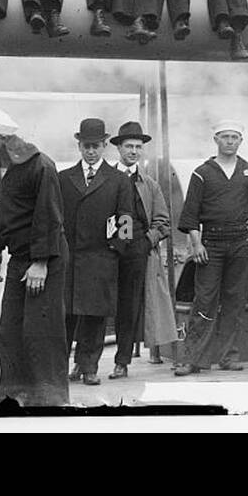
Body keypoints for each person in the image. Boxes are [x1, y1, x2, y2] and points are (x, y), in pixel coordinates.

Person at [0, 107, 69, 407]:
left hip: (45, 257)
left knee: (42, 332)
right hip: (19, 257)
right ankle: (13, 397)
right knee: (10, 331)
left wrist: (41, 262)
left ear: (1, 138)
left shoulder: (40, 165)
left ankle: (50, 400)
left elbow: (50, 214)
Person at [176, 120, 248, 373]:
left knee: (235, 300)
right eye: (225, 136)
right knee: (204, 300)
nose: (229, 141)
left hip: (240, 242)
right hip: (211, 244)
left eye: (234, 137)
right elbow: (190, 213)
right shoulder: (202, 172)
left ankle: (228, 356)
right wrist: (196, 244)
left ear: (240, 141)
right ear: (216, 140)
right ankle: (191, 358)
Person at [57, 117, 133, 385]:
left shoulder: (119, 180)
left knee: (94, 315)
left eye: (96, 146)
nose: (91, 151)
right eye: (86, 146)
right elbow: (55, 217)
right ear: (79, 146)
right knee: (66, 315)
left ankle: (89, 367)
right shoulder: (63, 179)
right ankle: (62, 368)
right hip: (70, 259)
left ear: (104, 146)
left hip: (101, 258)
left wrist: (115, 249)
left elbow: (126, 217)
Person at [108, 121, 177, 379]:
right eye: (129, 146)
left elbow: (163, 221)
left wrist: (146, 241)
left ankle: (121, 361)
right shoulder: (106, 179)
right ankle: (84, 361)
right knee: (96, 305)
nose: (134, 151)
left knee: (129, 307)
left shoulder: (149, 184)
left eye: (138, 147)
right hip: (107, 251)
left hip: (137, 252)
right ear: (119, 148)